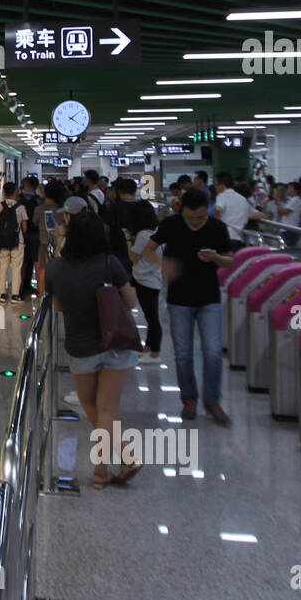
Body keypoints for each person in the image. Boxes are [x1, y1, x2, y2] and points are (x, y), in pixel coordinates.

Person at [45, 210, 141, 489]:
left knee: (92, 406)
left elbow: (58, 305)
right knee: (108, 409)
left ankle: (121, 458)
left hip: (82, 346)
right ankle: (104, 468)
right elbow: (131, 302)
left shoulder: (55, 269)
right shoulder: (111, 264)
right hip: (117, 344)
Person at [142, 187, 234, 425]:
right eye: (191, 217)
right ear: (182, 211)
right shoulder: (171, 225)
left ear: (207, 212)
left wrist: (215, 258)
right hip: (179, 300)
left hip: (209, 299)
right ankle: (189, 399)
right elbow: (149, 249)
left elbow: (230, 259)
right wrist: (164, 264)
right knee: (183, 355)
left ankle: (212, 400)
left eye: (200, 218)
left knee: (213, 353)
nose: (196, 222)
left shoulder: (217, 228)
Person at [127, 199, 164, 361]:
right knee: (152, 315)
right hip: (154, 277)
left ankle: (154, 351)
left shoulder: (143, 235)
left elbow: (133, 257)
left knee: (152, 317)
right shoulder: (157, 231)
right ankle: (149, 347)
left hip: (144, 279)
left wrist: (127, 240)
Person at [0, 180, 29, 303]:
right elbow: (24, 227)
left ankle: (2, 294)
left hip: (3, 241)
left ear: (4, 192)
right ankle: (15, 295)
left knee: (3, 266)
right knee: (16, 268)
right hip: (17, 241)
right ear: (16, 192)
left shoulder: (0, 205)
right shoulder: (21, 207)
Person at [32, 179, 67, 301]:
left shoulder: (39, 209)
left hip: (44, 242)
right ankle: (58, 295)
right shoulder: (62, 210)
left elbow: (35, 222)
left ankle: (42, 296)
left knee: (42, 269)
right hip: (60, 243)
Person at [213, 171, 263, 251]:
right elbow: (260, 214)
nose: (215, 187)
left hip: (225, 236)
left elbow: (218, 209)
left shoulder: (222, 196)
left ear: (221, 185)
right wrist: (245, 216)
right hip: (239, 239)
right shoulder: (242, 198)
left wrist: (216, 223)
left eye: (216, 185)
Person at [102, 177, 140, 273]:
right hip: (138, 248)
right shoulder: (141, 206)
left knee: (120, 277)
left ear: (119, 191)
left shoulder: (114, 207)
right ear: (135, 190)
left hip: (118, 248)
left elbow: (106, 228)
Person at [17, 176, 42, 299]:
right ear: (36, 186)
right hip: (36, 235)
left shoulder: (18, 199)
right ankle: (29, 286)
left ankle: (20, 287)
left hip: (20, 234)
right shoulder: (39, 200)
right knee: (33, 260)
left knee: (22, 262)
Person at [279, 181, 301, 246]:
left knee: (289, 248)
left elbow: (283, 212)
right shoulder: (291, 200)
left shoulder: (295, 200)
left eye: (290, 188)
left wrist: (277, 200)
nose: (288, 190)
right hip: (287, 229)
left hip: (290, 230)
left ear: (296, 190)